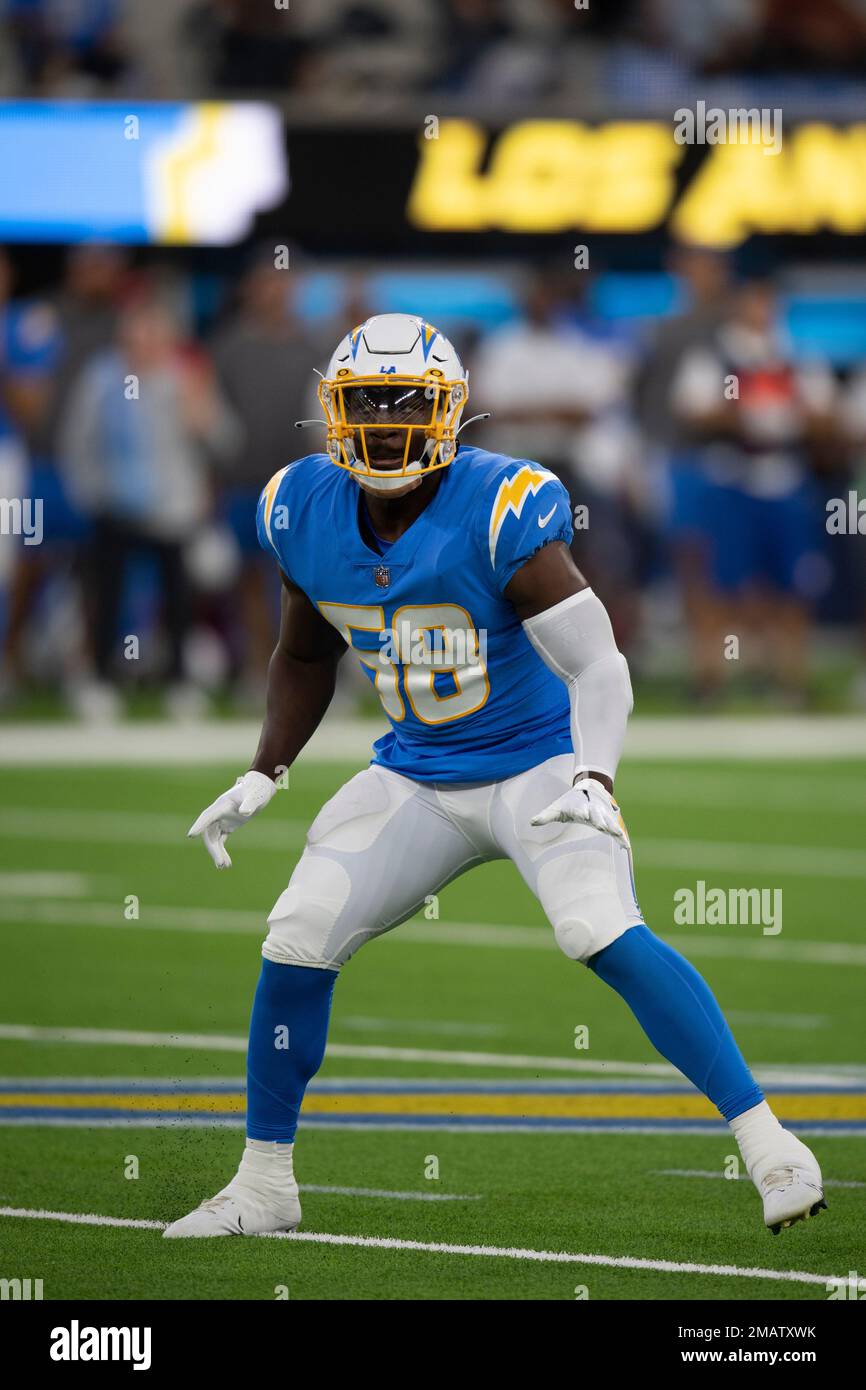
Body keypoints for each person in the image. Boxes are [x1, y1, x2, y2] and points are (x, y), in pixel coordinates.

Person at [165, 312, 825, 1239]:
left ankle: (769, 1144)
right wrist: (266, 769)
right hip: (417, 776)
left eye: (407, 403)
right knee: (298, 931)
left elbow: (600, 667)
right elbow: (305, 653)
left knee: (597, 926)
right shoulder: (300, 507)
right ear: (332, 412)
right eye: (366, 404)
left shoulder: (500, 506)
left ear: (449, 413)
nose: (386, 423)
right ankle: (265, 1183)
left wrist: (595, 777)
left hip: (536, 766)